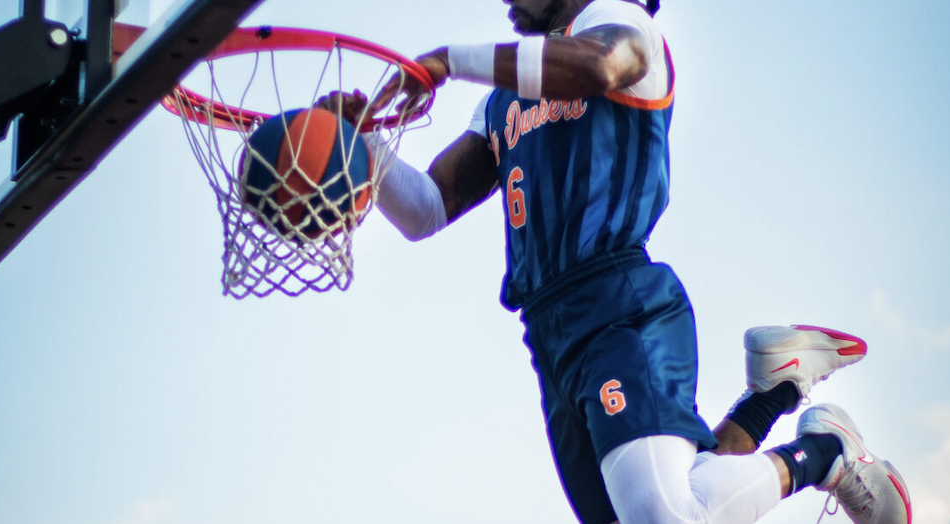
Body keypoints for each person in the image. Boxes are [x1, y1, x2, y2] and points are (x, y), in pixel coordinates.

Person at [331, 0, 914, 522]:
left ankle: (826, 454)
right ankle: (774, 393)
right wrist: (360, 145)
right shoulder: (502, 101)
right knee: (663, 502)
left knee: (665, 515)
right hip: (549, 331)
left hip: (620, 302)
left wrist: (448, 59)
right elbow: (426, 209)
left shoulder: (623, 22)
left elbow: (600, 67)